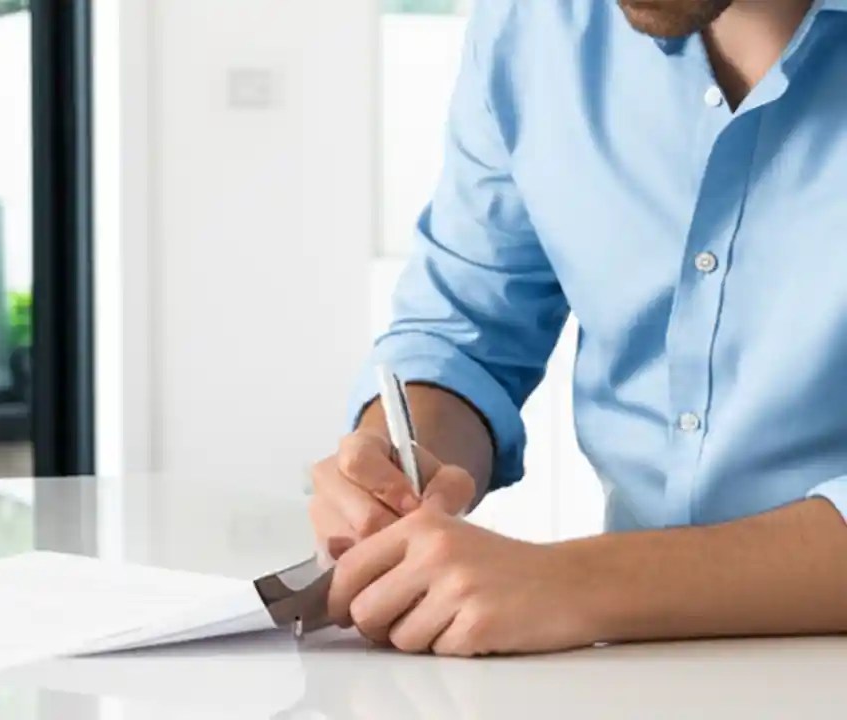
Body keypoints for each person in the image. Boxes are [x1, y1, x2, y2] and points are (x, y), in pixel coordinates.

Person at [311, 0, 847, 657]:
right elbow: (463, 332)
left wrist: (576, 584)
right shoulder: (534, 28)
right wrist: (400, 463)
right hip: (632, 673)